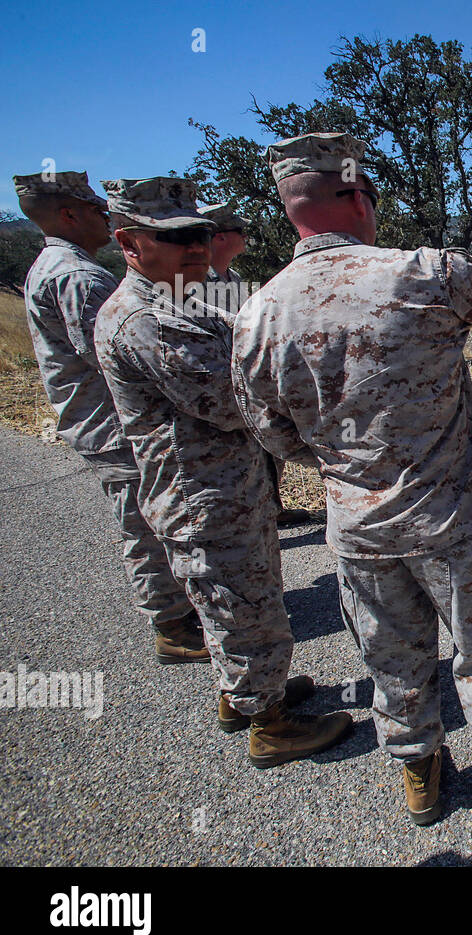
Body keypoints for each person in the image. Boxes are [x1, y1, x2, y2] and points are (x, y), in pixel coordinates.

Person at [233, 132, 472, 828]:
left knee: (390, 652)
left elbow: (271, 431)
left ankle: (420, 773)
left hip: (356, 524)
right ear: (358, 195)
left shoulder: (259, 311)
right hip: (454, 516)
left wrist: (348, 467)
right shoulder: (424, 271)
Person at [94, 175, 348, 762]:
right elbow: (231, 400)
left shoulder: (177, 299)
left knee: (245, 600)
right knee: (239, 606)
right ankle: (271, 724)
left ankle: (248, 693)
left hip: (226, 486)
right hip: (202, 494)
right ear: (129, 243)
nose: (195, 247)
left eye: (199, 234)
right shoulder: (146, 318)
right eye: (174, 236)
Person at [14, 170, 205, 664]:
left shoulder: (64, 267)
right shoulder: (77, 276)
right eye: (98, 211)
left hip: (103, 419)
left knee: (145, 515)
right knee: (144, 522)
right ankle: (173, 623)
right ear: (69, 214)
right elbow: (112, 354)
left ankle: (180, 612)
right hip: (115, 423)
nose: (106, 218)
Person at [200, 199, 317, 528]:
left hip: (251, 381)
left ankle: (272, 507)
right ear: (219, 237)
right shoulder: (196, 283)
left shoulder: (232, 277)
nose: (246, 235)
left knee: (269, 450)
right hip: (224, 386)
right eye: (239, 230)